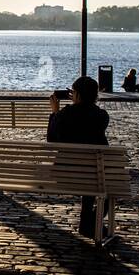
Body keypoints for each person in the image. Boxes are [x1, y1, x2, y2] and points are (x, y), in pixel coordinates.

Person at [47, 75, 112, 239]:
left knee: (89, 177)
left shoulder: (64, 114)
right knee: (105, 183)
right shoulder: (102, 116)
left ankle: (87, 223)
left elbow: (52, 140)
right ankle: (88, 222)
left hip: (64, 174)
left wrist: (55, 112)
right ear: (95, 95)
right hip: (93, 174)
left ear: (76, 94)